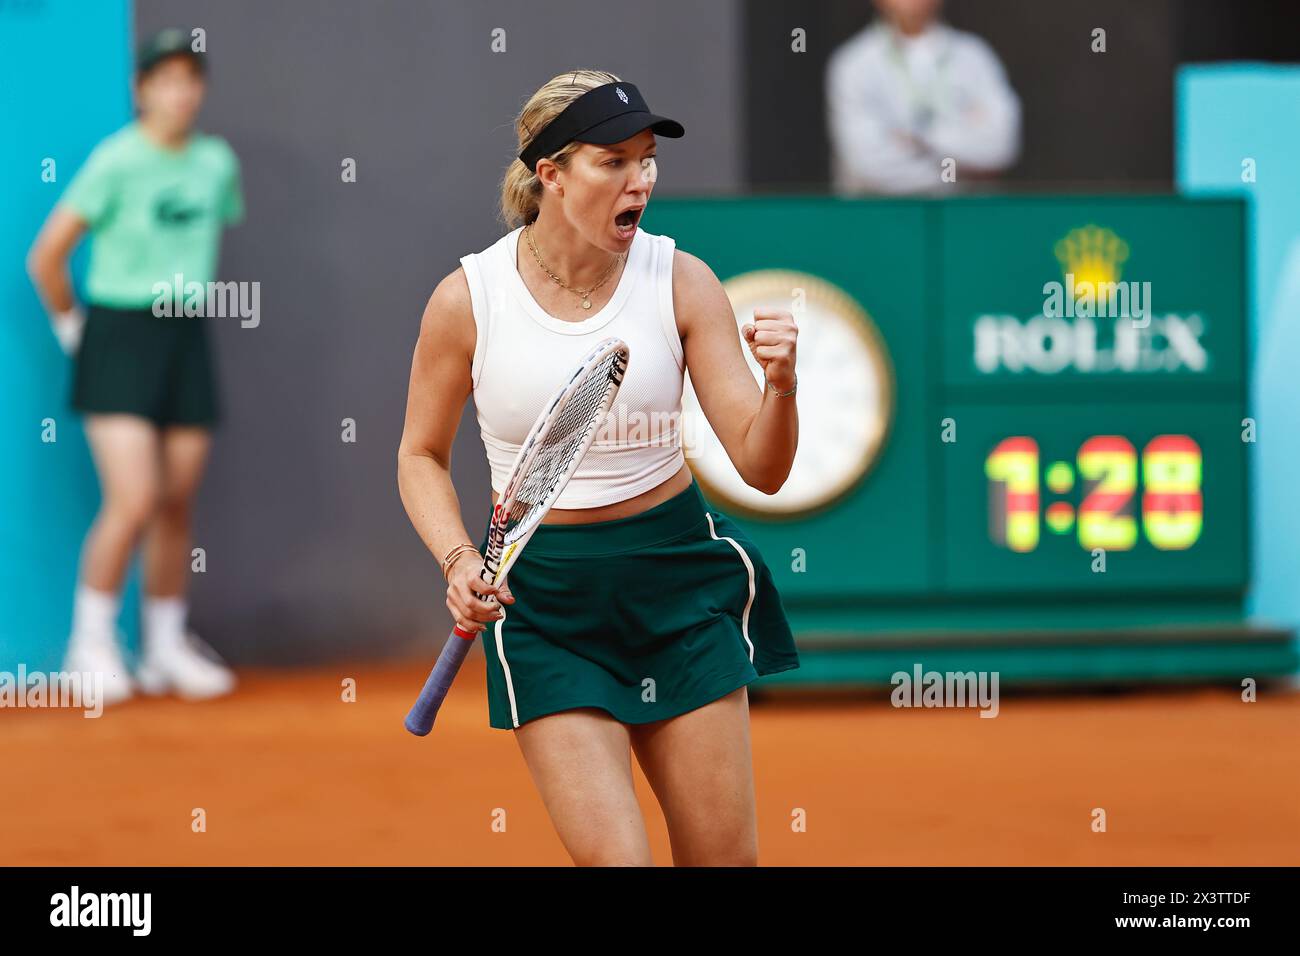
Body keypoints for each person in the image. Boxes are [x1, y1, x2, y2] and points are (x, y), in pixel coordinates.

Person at [397, 70, 801, 866]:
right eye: (613, 160)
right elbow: (419, 455)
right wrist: (455, 559)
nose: (640, 178)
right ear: (550, 173)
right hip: (548, 607)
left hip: (678, 590)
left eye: (647, 159)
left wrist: (783, 386)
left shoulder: (681, 282)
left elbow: (763, 467)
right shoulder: (468, 299)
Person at [26, 28, 243, 703]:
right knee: (134, 499)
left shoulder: (215, 164)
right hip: (117, 336)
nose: (179, 93)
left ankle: (164, 647)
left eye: (189, 79)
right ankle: (85, 648)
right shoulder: (115, 161)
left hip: (184, 334)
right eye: (164, 80)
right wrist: (75, 332)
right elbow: (46, 259)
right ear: (140, 89)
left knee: (175, 501)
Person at [826, 0, 1021, 194]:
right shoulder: (853, 64)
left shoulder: (976, 56)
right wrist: (961, 167)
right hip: (880, 219)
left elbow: (999, 149)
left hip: (966, 218)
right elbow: (868, 166)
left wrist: (918, 141)